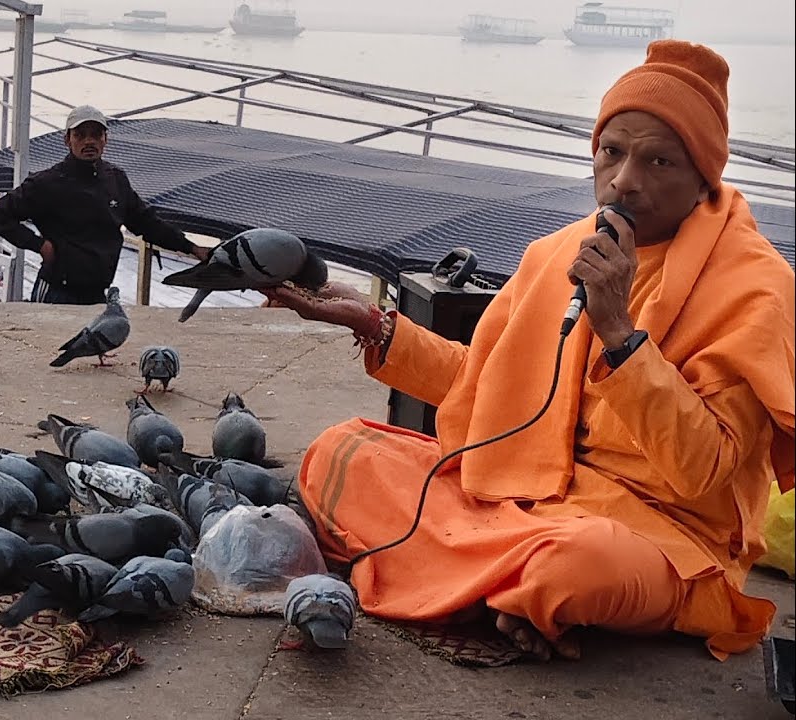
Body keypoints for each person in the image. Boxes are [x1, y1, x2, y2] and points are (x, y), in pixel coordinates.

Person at [262, 40, 795, 662]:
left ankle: (496, 583)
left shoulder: (754, 289)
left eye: (659, 162)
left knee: (576, 567)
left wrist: (620, 333)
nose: (624, 181)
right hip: (524, 497)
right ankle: (502, 596)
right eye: (612, 152)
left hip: (657, 533)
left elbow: (704, 468)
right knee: (344, 451)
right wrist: (376, 326)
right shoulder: (554, 255)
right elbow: (486, 389)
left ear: (704, 176)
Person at [0, 105, 211, 305]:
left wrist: (191, 247)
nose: (88, 141)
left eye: (95, 134)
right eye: (80, 135)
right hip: (56, 291)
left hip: (97, 293)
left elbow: (147, 222)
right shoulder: (47, 183)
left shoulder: (115, 179)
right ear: (67, 140)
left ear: (105, 139)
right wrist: (40, 245)